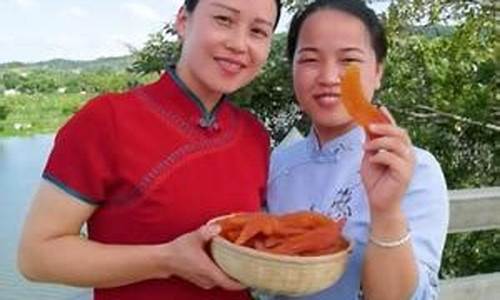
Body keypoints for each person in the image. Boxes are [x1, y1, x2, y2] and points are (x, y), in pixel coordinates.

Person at [17, 0, 282, 299]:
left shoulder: (254, 135)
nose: (238, 44)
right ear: (183, 20)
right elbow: (36, 256)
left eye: (258, 31)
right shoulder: (107, 120)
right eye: (223, 19)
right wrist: (166, 260)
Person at [266, 0, 449, 299]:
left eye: (349, 61)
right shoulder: (278, 163)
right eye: (310, 59)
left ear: (378, 71)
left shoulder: (414, 169)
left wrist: (386, 210)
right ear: (293, 68)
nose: (327, 77)